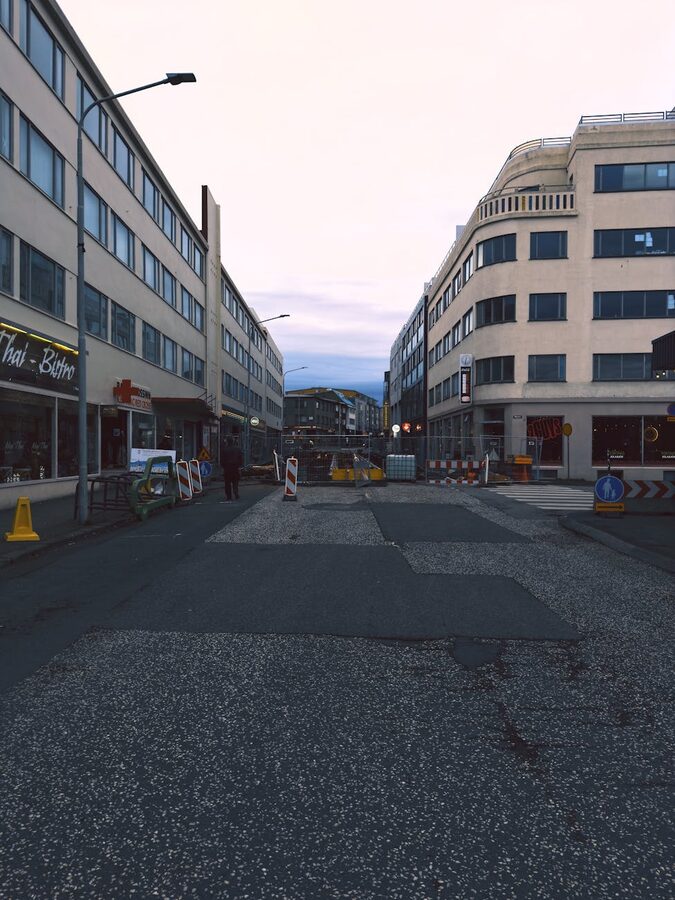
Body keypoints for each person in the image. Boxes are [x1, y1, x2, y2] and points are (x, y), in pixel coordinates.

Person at [220, 437, 243, 501]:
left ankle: (229, 496)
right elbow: (240, 458)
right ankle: (236, 492)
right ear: (233, 441)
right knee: (235, 481)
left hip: (227, 468)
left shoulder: (224, 450)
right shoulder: (237, 449)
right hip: (235, 467)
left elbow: (222, 460)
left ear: (227, 442)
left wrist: (223, 467)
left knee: (227, 483)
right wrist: (239, 466)